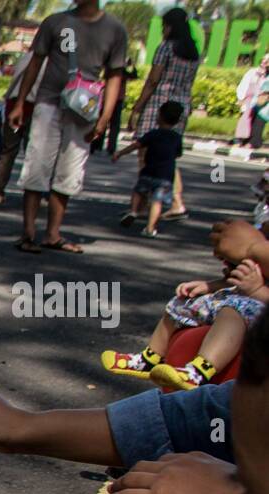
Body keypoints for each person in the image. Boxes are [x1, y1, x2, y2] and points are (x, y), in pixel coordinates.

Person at [9, 0, 127, 255]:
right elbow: (35, 62)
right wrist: (20, 102)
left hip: (85, 110)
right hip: (49, 102)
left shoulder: (115, 29)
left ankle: (53, 233)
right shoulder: (55, 22)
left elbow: (115, 75)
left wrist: (105, 117)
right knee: (37, 164)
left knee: (70, 170)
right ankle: (28, 232)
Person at [101, 250, 264, 390]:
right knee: (181, 302)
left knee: (233, 313)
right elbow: (236, 279)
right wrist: (210, 285)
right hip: (237, 295)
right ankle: (149, 359)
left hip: (256, 308)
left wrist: (257, 289)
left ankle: (198, 371)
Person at [128, 8, 198, 224]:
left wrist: (137, 107)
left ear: (169, 26)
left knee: (145, 151)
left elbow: (153, 80)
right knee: (167, 156)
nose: (163, 30)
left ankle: (143, 204)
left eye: (164, 26)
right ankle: (176, 202)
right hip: (182, 106)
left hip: (160, 103)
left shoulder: (165, 48)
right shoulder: (193, 52)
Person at [112, 99, 184, 238]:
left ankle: (133, 211)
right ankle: (150, 228)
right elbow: (178, 154)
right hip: (165, 176)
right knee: (157, 202)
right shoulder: (177, 137)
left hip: (148, 171)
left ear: (160, 116)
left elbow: (136, 145)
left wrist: (120, 153)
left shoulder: (153, 134)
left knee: (138, 191)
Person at [0, 47, 42, 204]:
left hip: (13, 105)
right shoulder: (49, 61)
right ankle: (34, 193)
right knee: (34, 153)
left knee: (8, 151)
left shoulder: (25, 58)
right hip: (35, 108)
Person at [236, 53, 269, 147]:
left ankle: (254, 142)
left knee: (259, 120)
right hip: (252, 101)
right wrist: (241, 98)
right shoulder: (253, 72)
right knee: (245, 120)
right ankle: (242, 139)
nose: (264, 63)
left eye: (267, 61)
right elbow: (244, 85)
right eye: (263, 60)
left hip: (263, 103)